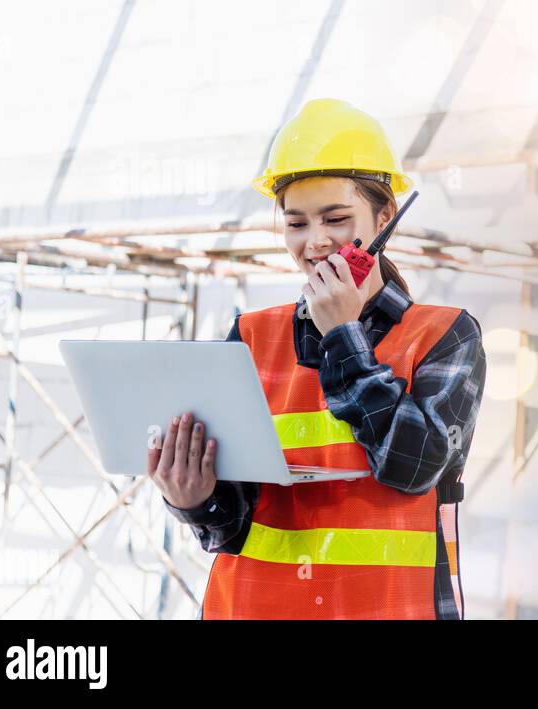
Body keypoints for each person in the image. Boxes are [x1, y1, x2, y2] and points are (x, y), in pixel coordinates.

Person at [146, 98, 486, 620]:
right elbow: (231, 527)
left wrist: (343, 336)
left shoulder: (444, 335)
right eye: (296, 223)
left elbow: (412, 466)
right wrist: (193, 498)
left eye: (336, 218)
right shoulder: (252, 336)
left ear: (385, 216)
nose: (315, 241)